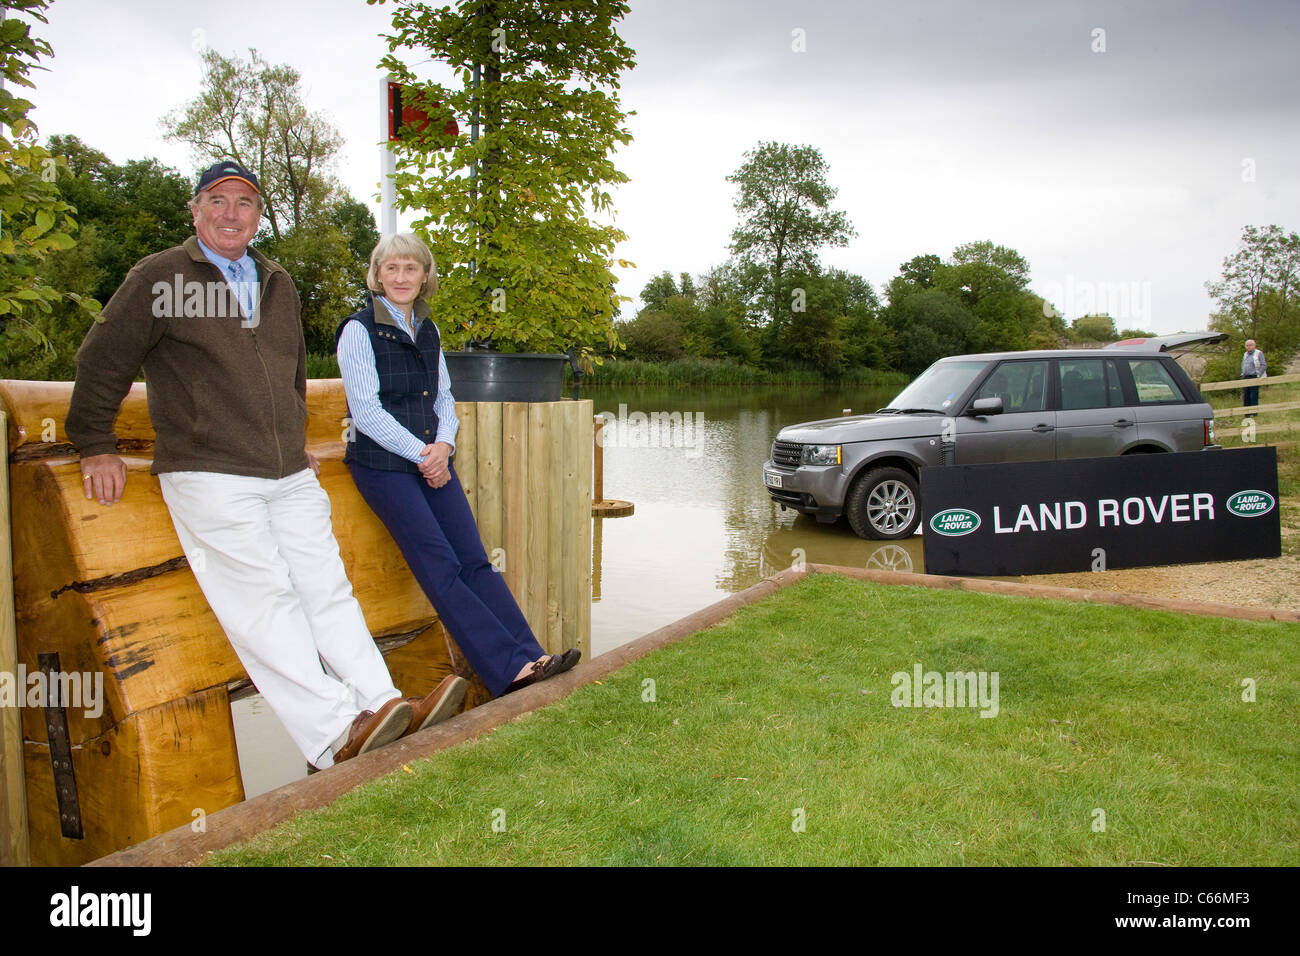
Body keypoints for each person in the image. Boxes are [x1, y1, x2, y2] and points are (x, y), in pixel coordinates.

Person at [65, 161, 465, 772]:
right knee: (265, 601)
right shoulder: (161, 276)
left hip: (286, 471)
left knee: (328, 589)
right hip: (209, 472)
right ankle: (335, 734)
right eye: (218, 201)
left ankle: (386, 706)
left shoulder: (276, 281)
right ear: (195, 210)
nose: (232, 213)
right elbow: (102, 357)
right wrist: (95, 441)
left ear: (258, 215)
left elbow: (291, 372)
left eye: (245, 203)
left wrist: (292, 434)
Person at [336, 233, 580, 699]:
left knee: (476, 563)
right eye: (392, 268)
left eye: (411, 268)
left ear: (425, 276)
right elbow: (365, 413)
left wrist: (444, 445)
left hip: (433, 461)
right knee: (443, 568)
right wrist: (424, 454)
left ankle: (533, 656)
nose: (402, 276)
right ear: (378, 275)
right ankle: (509, 671)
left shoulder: (429, 329)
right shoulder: (358, 329)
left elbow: (443, 396)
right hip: (385, 467)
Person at [1241, 339, 1266, 415]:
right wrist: (1242, 374)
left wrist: (1259, 375)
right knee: (1246, 395)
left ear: (1254, 346)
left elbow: (1263, 365)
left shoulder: (1258, 353)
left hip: (1254, 376)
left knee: (1253, 395)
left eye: (1250, 345)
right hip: (1246, 377)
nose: (1249, 347)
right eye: (1247, 345)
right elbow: (1243, 365)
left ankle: (1254, 413)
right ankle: (1247, 413)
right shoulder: (1245, 354)